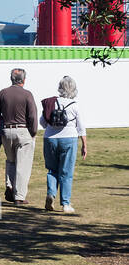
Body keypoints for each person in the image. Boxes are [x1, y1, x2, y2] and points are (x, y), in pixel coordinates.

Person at [41, 75, 87, 214]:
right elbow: (81, 127)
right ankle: (66, 204)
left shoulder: (51, 103)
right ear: (73, 89)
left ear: (60, 88)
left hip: (50, 139)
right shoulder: (75, 105)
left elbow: (43, 123)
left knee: (52, 170)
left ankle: (51, 194)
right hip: (69, 139)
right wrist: (84, 144)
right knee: (66, 172)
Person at [0, 66, 38, 205]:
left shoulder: (2, 93)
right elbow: (32, 116)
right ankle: (19, 196)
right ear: (23, 80)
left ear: (11, 79)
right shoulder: (27, 94)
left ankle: (10, 186)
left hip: (6, 131)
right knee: (23, 165)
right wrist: (33, 132)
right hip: (23, 130)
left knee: (10, 161)